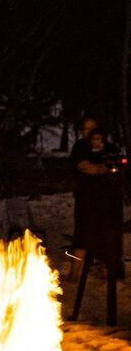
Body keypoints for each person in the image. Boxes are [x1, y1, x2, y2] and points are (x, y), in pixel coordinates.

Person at [67, 119, 122, 280]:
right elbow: (85, 167)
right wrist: (101, 167)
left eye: (91, 129)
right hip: (86, 200)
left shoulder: (111, 148)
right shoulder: (80, 148)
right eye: (85, 128)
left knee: (108, 236)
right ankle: (75, 273)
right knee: (82, 236)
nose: (88, 132)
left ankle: (109, 271)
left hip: (108, 201)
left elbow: (118, 166)